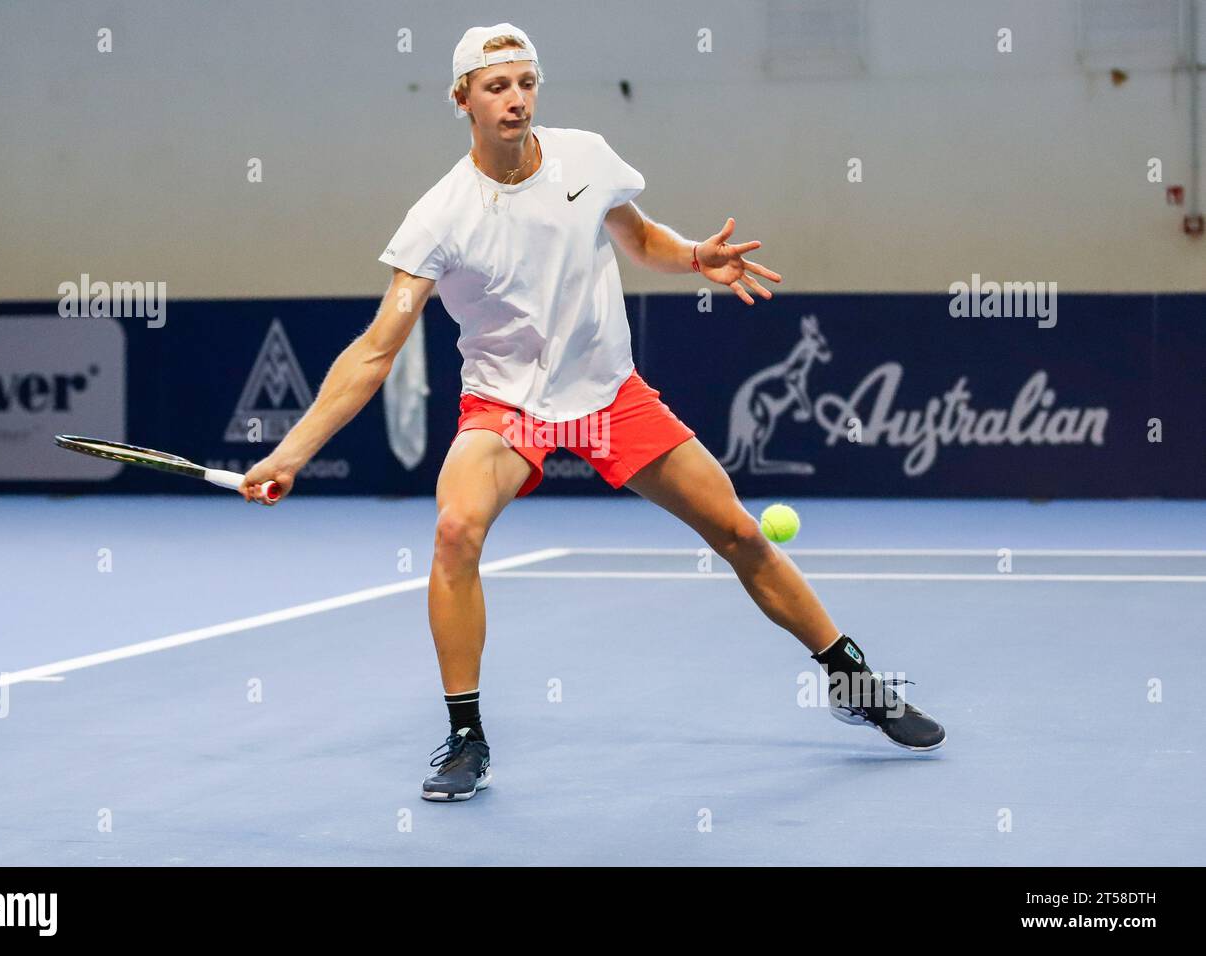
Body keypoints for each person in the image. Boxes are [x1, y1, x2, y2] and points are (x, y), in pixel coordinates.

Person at [241, 22, 945, 802]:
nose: (516, 99)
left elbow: (638, 237)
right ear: (462, 99)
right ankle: (465, 735)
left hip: (611, 395)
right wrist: (292, 452)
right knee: (454, 529)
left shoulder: (586, 158)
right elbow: (376, 350)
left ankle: (851, 680)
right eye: (496, 85)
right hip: (509, 407)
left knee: (740, 531)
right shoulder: (439, 217)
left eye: (526, 82)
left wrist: (691, 256)